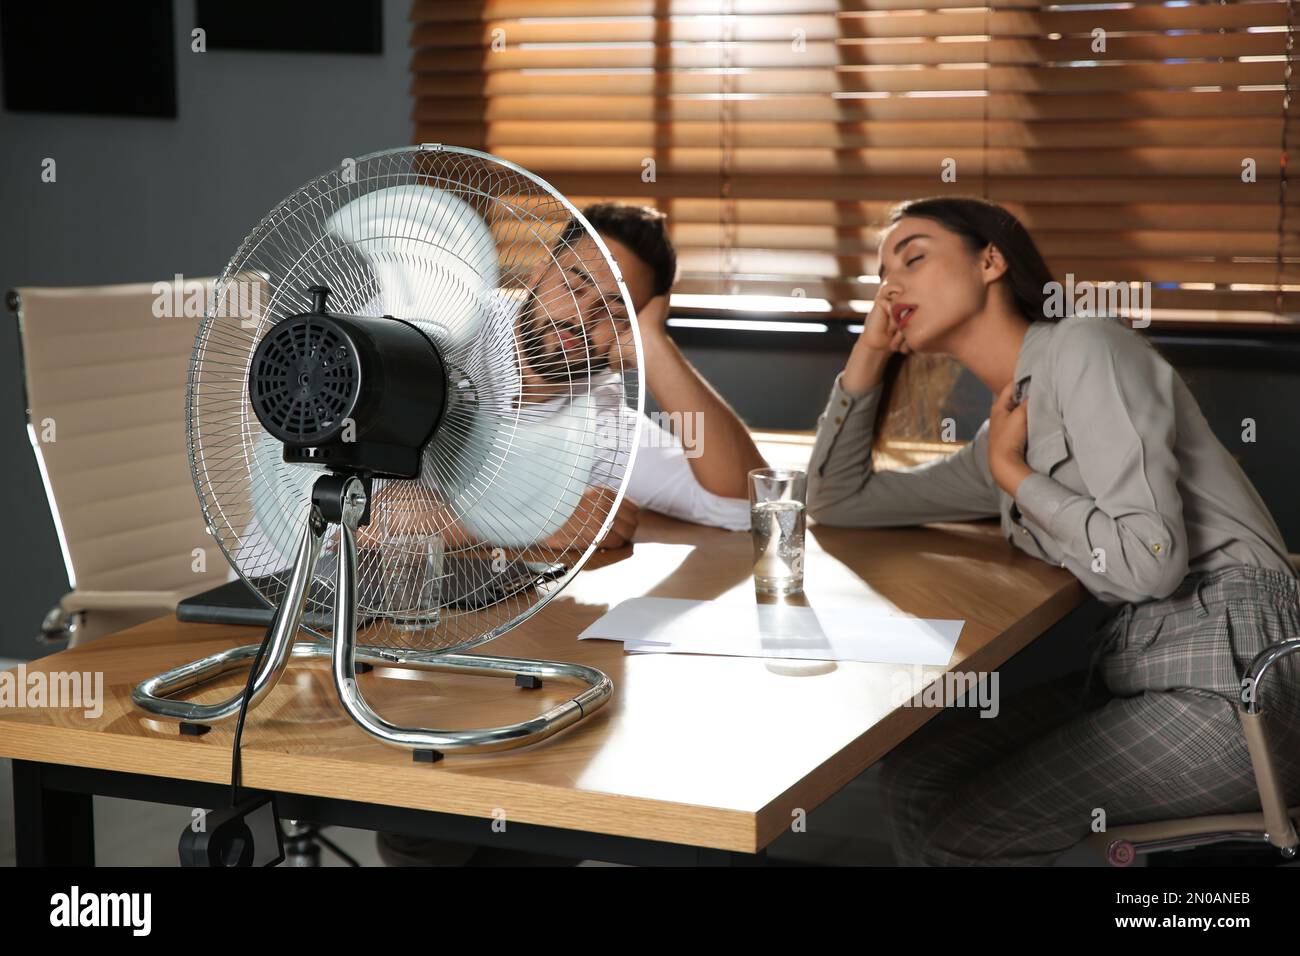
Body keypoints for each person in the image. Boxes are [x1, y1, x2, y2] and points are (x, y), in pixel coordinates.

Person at [807, 195, 1300, 866]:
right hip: (1139, 672)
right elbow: (835, 499)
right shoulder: (1006, 431)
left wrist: (1014, 474)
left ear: (990, 261)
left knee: (968, 830)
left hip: (1239, 686)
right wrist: (867, 355)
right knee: (913, 777)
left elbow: (1148, 566)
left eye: (914, 257)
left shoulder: (1087, 346)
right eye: (880, 274)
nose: (889, 284)